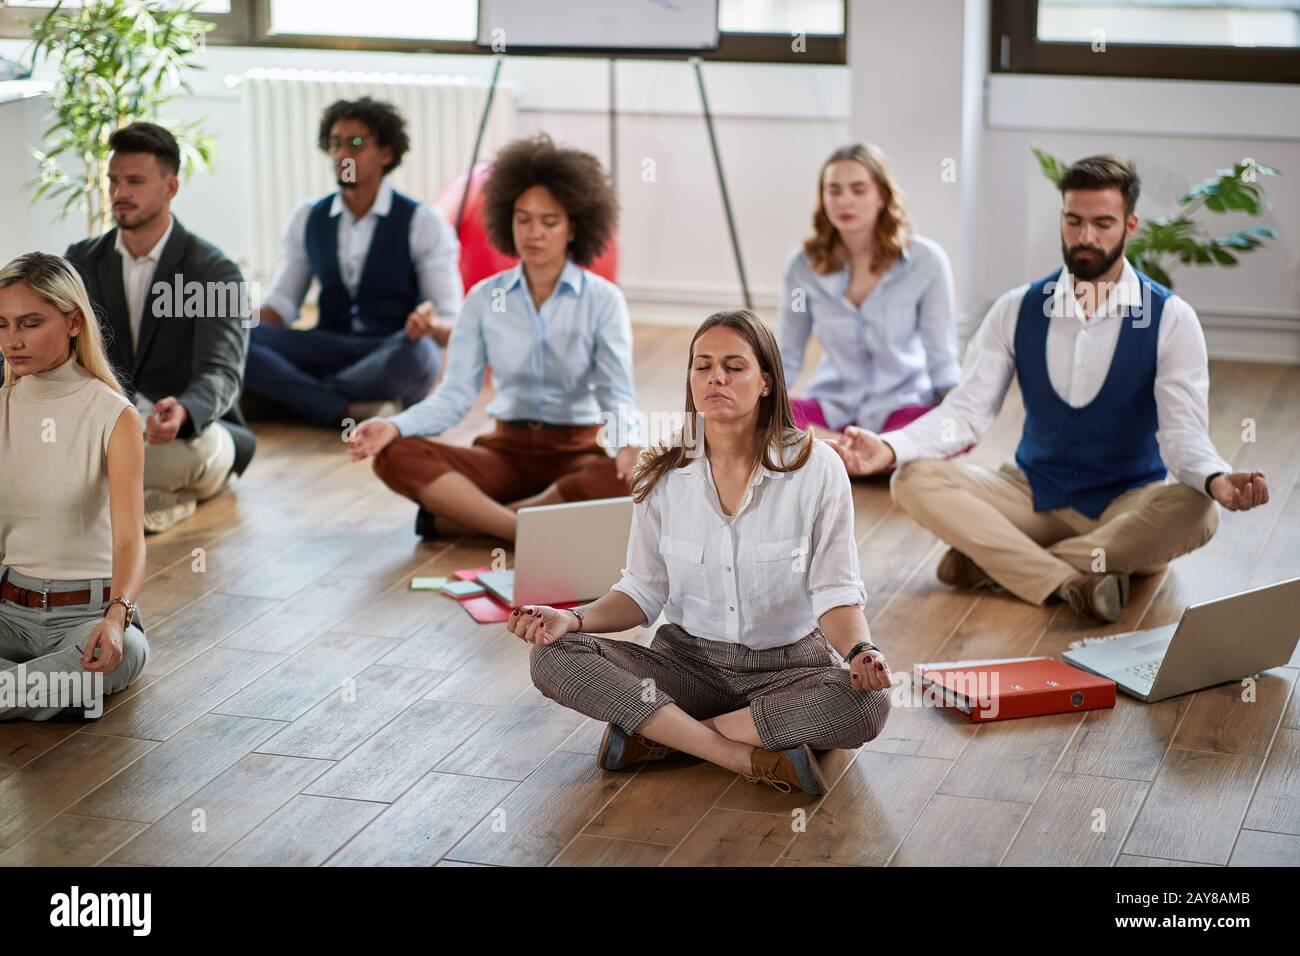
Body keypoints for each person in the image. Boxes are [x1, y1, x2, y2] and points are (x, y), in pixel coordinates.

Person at [836, 154, 1269, 622]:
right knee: (913, 479)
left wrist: (1217, 478)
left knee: (1199, 510)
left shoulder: (1171, 319)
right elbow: (964, 413)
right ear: (1062, 218)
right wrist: (888, 446)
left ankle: (997, 563)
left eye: (1103, 223)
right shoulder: (1017, 308)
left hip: (1125, 506)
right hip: (1031, 494)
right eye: (1074, 221)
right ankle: (1072, 579)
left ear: (1130, 225)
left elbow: (1183, 437)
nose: (1086, 237)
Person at [513, 309, 893, 796]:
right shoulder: (660, 468)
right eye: (702, 365)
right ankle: (738, 753)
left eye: (734, 367)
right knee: (552, 656)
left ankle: (664, 735)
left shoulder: (817, 467)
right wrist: (574, 619)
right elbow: (642, 592)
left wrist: (861, 652)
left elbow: (836, 592)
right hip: (685, 668)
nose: (716, 377)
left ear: (765, 383)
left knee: (869, 704)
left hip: (792, 670)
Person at [347, 134, 642, 543]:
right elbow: (454, 396)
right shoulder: (485, 297)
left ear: (574, 226)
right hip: (504, 454)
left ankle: (465, 521)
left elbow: (617, 392)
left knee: (638, 476)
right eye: (523, 219)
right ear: (508, 219)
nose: (533, 233)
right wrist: (395, 426)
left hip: (576, 457)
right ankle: (521, 529)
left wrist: (629, 443)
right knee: (395, 454)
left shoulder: (603, 299)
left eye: (549, 221)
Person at [66, 122, 255, 534]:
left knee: (158, 460)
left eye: (135, 181)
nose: (119, 193)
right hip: (107, 430)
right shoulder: (81, 261)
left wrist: (185, 411)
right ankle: (151, 504)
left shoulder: (215, 272)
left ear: (170, 188)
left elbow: (221, 372)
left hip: (188, 434)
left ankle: (116, 506)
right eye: (113, 180)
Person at [245, 97, 463, 427]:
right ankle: (344, 409)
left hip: (390, 348)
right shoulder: (308, 217)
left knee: (418, 357)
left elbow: (451, 323)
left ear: (387, 154)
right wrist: (233, 320)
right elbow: (282, 307)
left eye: (356, 144)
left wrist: (430, 325)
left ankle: (295, 398)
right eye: (335, 144)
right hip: (327, 345)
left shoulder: (423, 222)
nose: (342, 155)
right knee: (239, 339)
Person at [0, 253, 149, 720]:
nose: (12, 341)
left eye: (29, 323)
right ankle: (34, 692)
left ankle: (30, 688)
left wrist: (115, 617)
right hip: (8, 610)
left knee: (114, 658)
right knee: (60, 685)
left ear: (73, 322)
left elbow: (129, 539)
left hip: (90, 617)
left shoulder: (114, 415)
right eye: (1, 325)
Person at [779, 143, 961, 467]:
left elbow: (942, 358)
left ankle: (837, 458)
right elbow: (788, 356)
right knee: (765, 420)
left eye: (858, 189)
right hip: (831, 405)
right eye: (833, 190)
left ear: (882, 195)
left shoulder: (926, 262)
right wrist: (755, 401)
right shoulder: (802, 266)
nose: (845, 200)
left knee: (945, 430)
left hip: (902, 407)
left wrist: (957, 412)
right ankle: (850, 458)